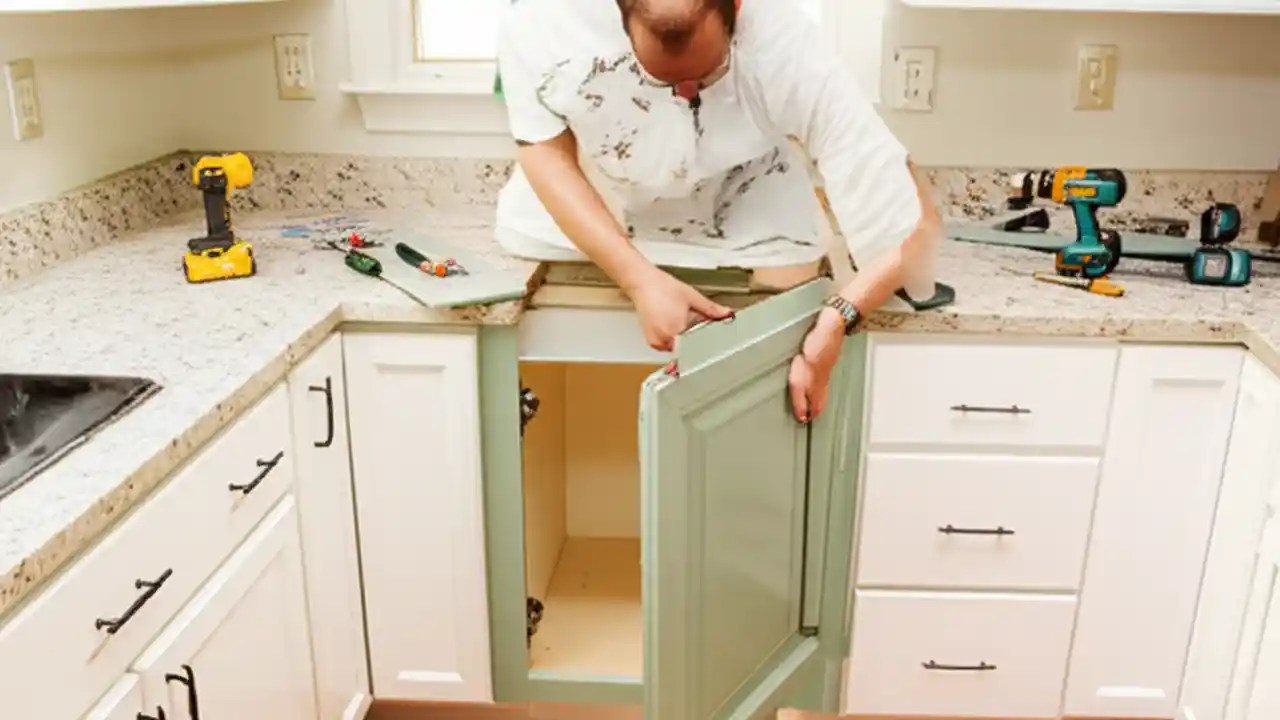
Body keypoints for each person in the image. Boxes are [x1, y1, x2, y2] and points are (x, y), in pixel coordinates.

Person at [494, 0, 943, 422]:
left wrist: (838, 318)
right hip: (587, 225)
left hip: (757, 231)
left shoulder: (786, 44)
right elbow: (545, 153)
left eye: (708, 76)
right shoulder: (542, 21)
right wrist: (637, 279)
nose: (685, 94)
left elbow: (907, 219)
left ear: (740, 9)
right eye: (659, 81)